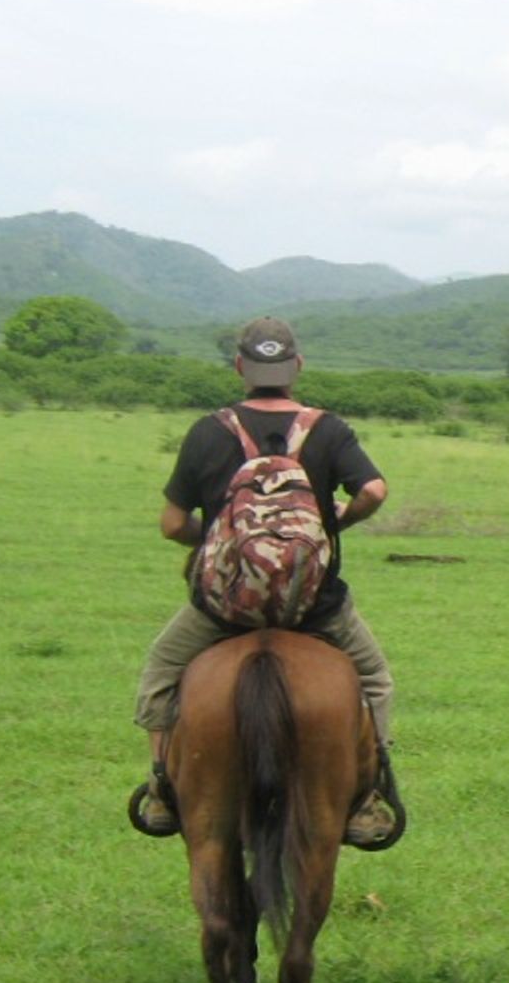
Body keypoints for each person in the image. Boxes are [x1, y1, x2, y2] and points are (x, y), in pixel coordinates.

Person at [128, 316, 402, 846]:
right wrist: (339, 520)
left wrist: (215, 541)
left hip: (224, 607)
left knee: (162, 670)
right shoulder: (328, 429)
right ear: (296, 366)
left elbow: (170, 525)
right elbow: (374, 490)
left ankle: (161, 792)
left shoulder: (209, 430)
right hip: (315, 607)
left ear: (239, 368)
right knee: (375, 679)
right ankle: (368, 799)